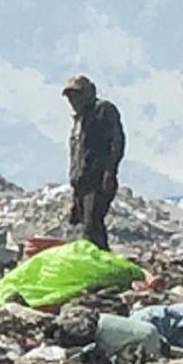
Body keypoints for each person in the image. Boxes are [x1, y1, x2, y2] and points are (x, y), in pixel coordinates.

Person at [62, 75, 125, 250]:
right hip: (82, 183)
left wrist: (109, 171)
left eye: (77, 95)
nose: (73, 100)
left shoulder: (103, 111)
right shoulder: (78, 121)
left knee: (92, 225)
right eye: (70, 96)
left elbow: (116, 141)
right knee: (84, 227)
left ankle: (102, 264)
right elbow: (77, 154)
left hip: (97, 181)